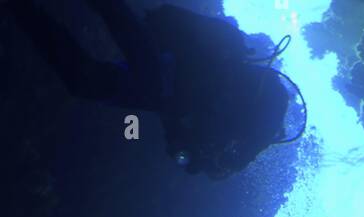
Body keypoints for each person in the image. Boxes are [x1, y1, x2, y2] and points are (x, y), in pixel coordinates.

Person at [10, 0, 305, 178]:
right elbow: (241, 151)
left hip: (162, 90)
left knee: (92, 75)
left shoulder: (235, 125)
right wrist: (222, 164)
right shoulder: (259, 122)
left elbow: (175, 127)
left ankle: (26, 15)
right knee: (118, 40)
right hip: (171, 79)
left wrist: (184, 149)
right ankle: (27, 15)